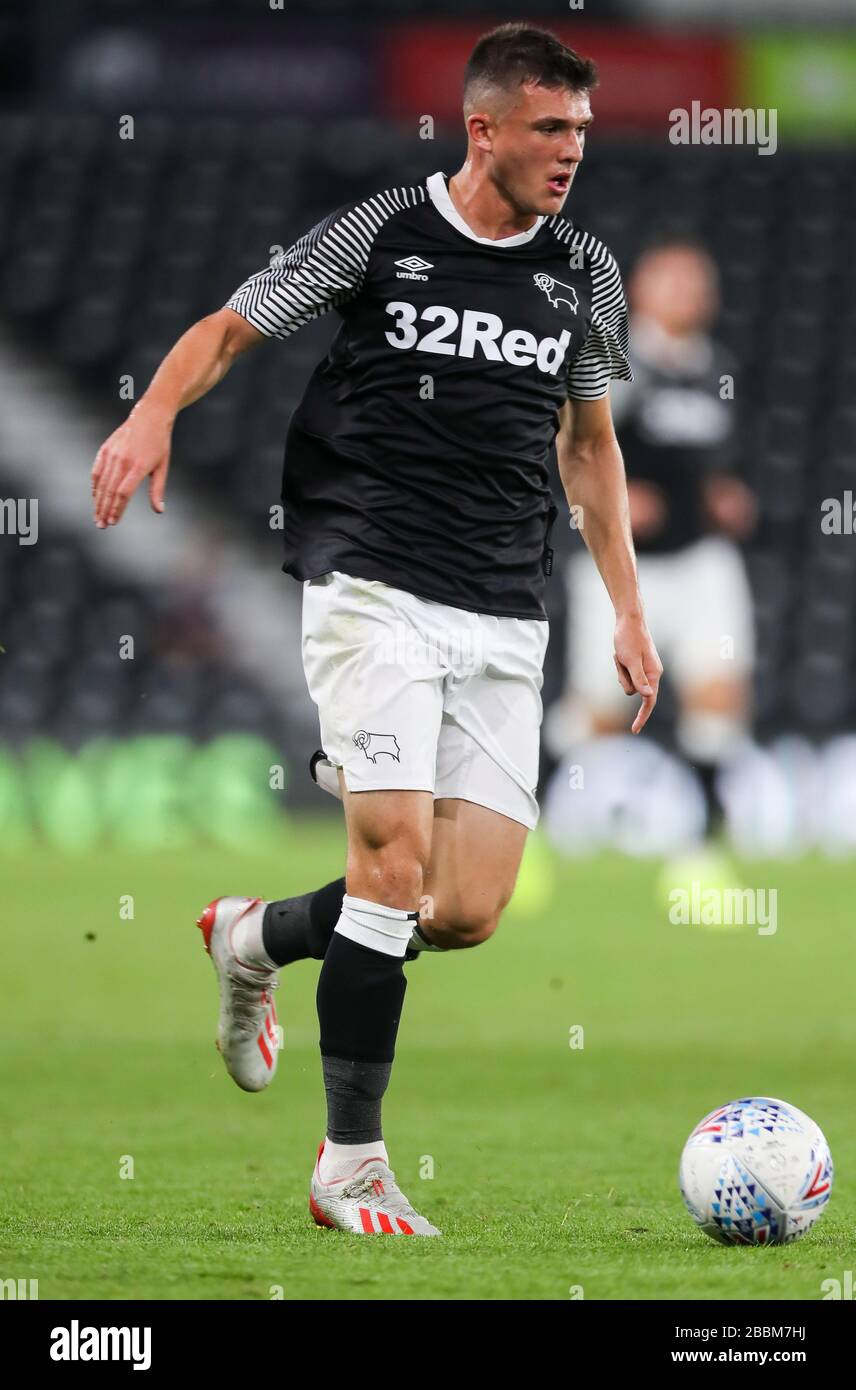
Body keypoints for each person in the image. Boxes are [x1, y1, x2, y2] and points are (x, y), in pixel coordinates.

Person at [90, 23, 661, 1236]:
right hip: (372, 585)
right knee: (390, 870)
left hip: (507, 607)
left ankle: (253, 934)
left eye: (580, 130)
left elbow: (589, 442)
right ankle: (349, 1162)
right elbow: (231, 326)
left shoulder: (585, 269)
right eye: (550, 128)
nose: (570, 152)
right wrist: (151, 415)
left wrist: (626, 605)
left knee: (461, 910)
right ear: (485, 128)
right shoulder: (382, 233)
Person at [562, 236, 755, 827]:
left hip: (700, 557)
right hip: (622, 562)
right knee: (598, 707)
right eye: (673, 280)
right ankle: (549, 821)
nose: (688, 293)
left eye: (698, 282)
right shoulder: (615, 361)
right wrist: (616, 500)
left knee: (719, 692)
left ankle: (705, 838)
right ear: (641, 290)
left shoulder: (715, 368)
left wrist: (726, 490)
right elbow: (570, 446)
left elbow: (714, 453)